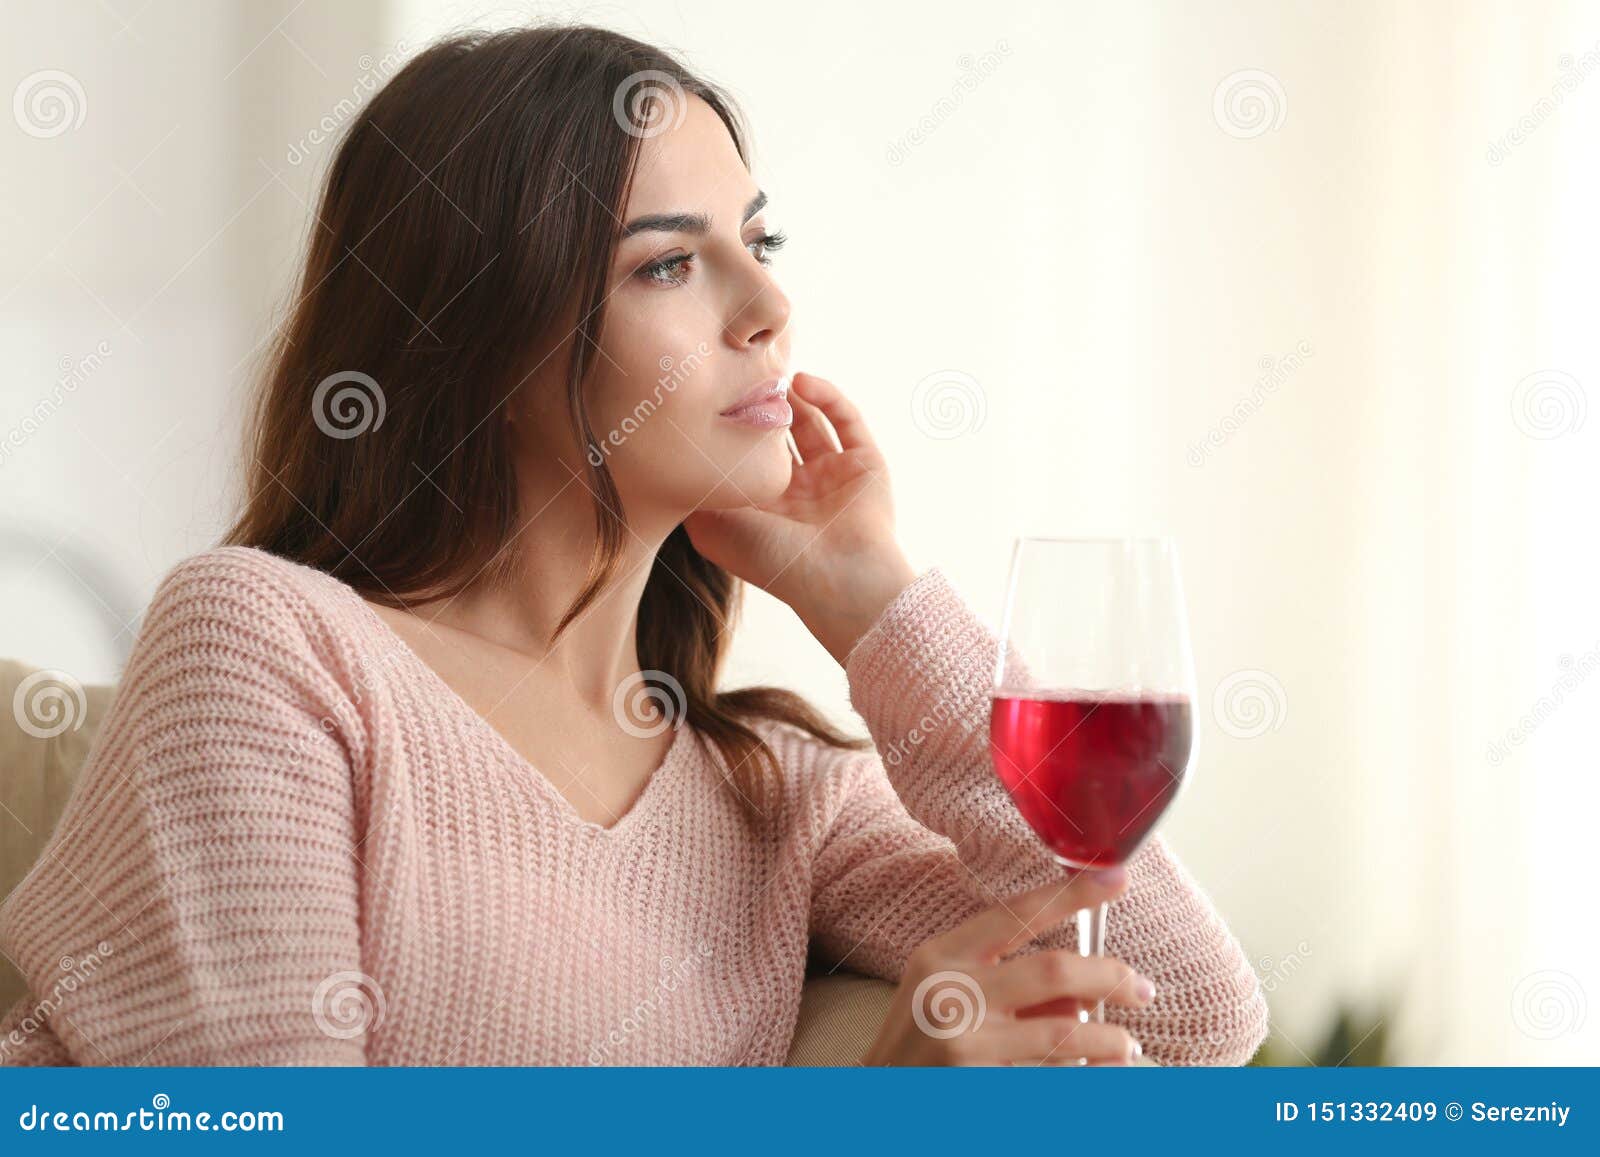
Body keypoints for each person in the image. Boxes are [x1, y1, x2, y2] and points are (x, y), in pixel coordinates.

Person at [0, 23, 1266, 1067]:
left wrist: (873, 600)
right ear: (477, 335)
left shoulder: (770, 794)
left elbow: (1189, 1015)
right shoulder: (263, 644)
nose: (768, 306)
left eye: (757, 244)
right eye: (667, 265)